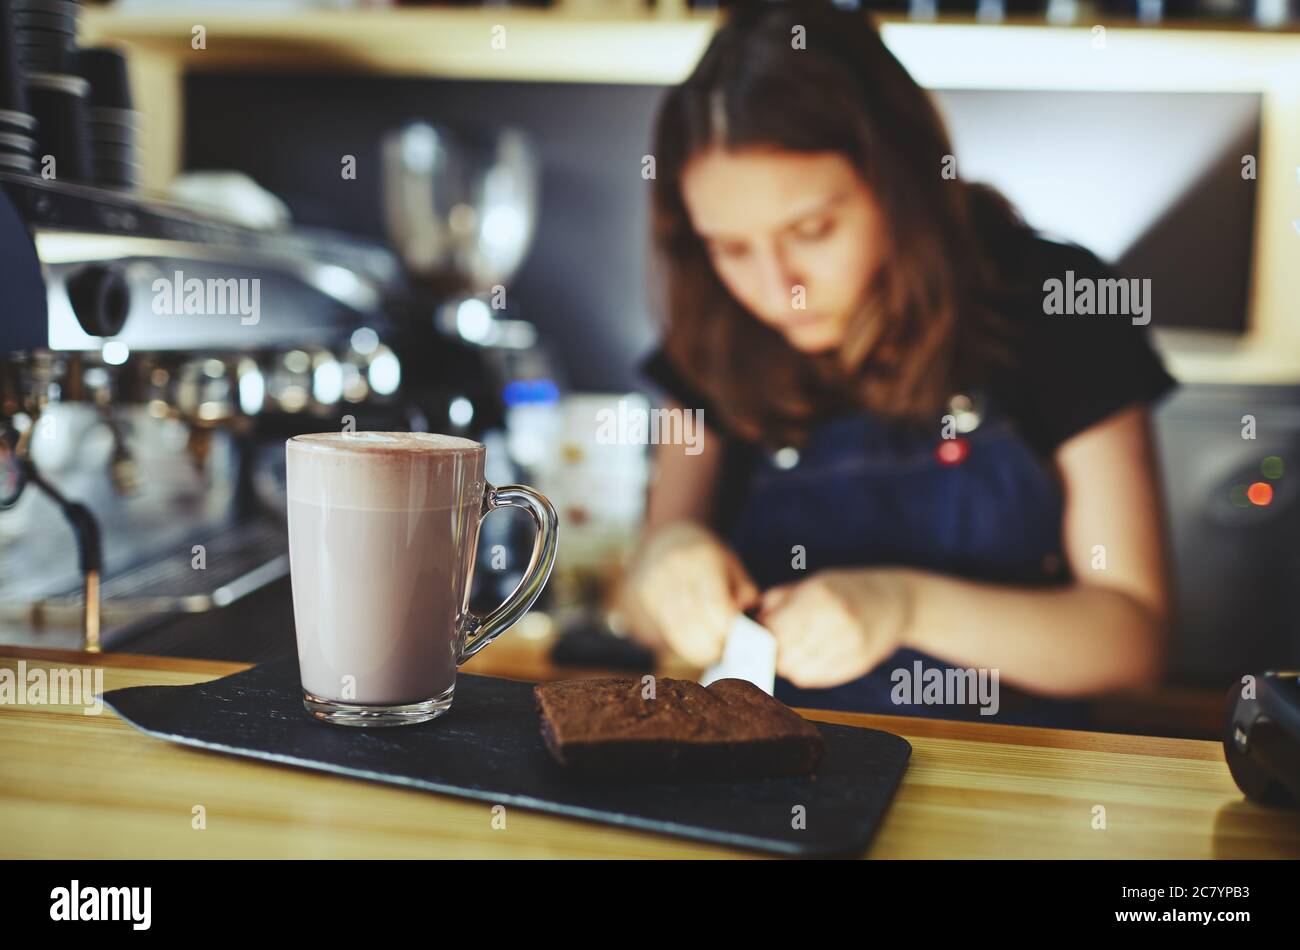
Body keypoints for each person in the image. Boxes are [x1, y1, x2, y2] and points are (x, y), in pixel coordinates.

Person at [618, 0, 1176, 728]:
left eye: (811, 230)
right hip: (783, 770)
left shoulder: (1057, 306)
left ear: (900, 182)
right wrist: (668, 559)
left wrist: (903, 605)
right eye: (729, 247)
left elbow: (1131, 637)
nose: (775, 285)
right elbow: (635, 606)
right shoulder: (717, 333)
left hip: (1015, 781)